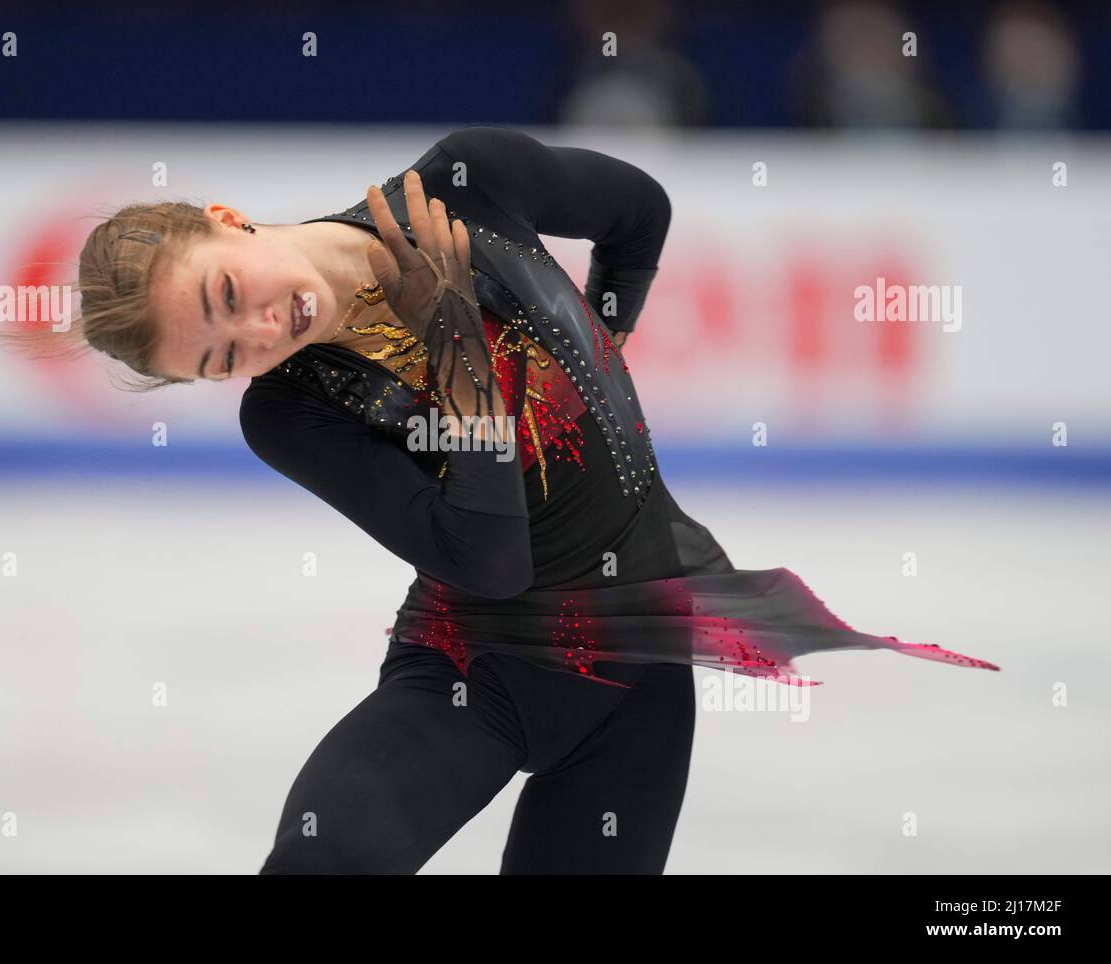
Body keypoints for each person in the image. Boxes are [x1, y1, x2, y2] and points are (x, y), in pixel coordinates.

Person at [54, 125, 999, 874]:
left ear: (227, 218)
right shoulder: (293, 412)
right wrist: (460, 338)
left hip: (635, 663)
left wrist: (599, 343)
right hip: (478, 669)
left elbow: (640, 212)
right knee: (322, 859)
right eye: (223, 357)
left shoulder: (469, 181)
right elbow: (487, 560)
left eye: (227, 294)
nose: (261, 330)